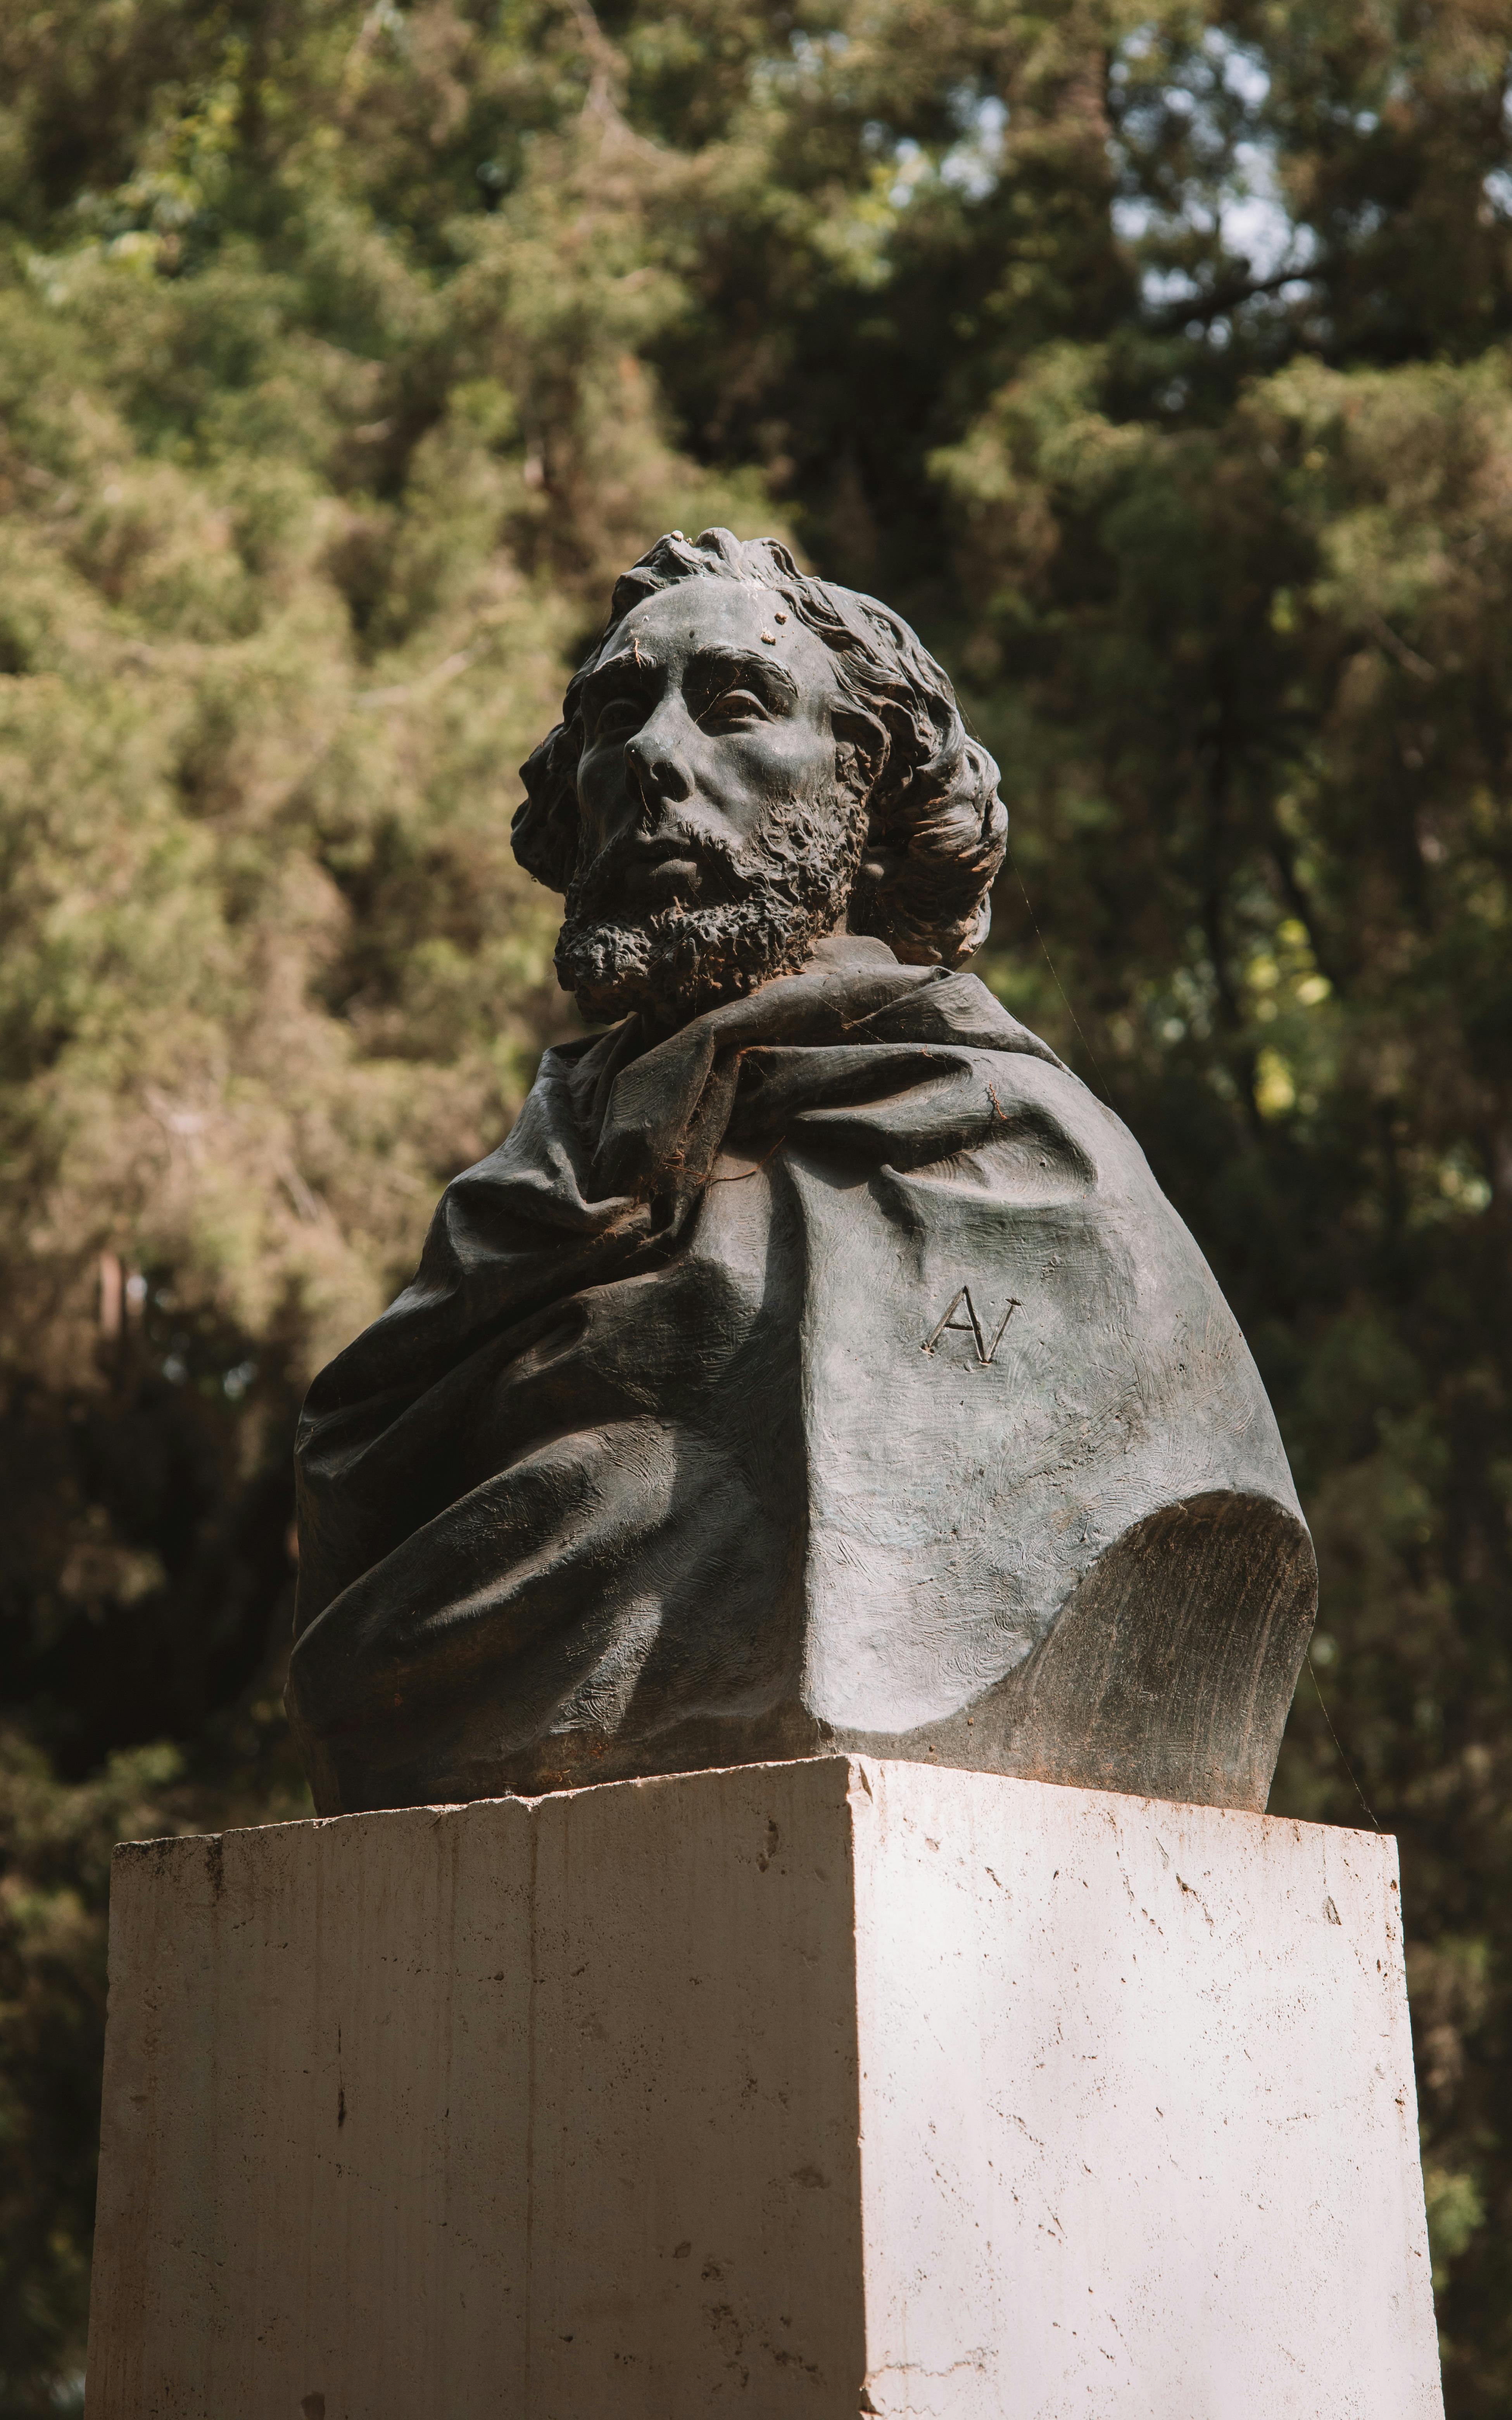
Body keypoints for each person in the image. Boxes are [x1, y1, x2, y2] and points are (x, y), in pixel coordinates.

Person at [287, 530, 1314, 1815]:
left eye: (733, 707)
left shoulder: (1024, 1170)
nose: (655, 757)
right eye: (618, 718)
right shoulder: (516, 1210)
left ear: (865, 781)